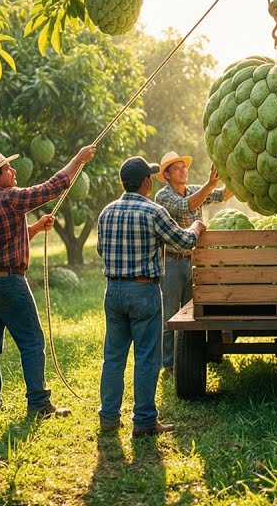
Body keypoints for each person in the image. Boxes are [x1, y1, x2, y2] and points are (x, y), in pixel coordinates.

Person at [0, 143, 96, 422]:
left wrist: (35, 229)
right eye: (7, 169)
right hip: (9, 282)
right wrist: (78, 158)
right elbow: (52, 187)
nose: (13, 171)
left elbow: (1, 240)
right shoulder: (9, 198)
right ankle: (39, 404)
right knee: (32, 341)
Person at [97, 156, 207, 437]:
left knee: (113, 356)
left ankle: (108, 417)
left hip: (113, 290)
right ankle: (144, 421)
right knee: (147, 357)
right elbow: (184, 241)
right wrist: (196, 227)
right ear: (146, 182)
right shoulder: (153, 211)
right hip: (144, 290)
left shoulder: (106, 211)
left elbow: (101, 249)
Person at [153, 150, 231, 372]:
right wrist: (209, 184)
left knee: (195, 314)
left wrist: (234, 174)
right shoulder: (163, 197)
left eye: (184, 167)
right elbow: (186, 206)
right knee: (170, 315)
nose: (183, 171)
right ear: (167, 175)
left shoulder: (196, 189)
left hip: (195, 261)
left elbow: (223, 195)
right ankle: (168, 364)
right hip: (173, 263)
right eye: (177, 168)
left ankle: (196, 357)